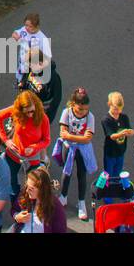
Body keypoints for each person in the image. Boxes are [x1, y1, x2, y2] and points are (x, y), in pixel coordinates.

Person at [0, 90, 51, 198]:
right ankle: (15, 203)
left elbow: (47, 140)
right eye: (26, 112)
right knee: (11, 182)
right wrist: (6, 140)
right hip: (14, 154)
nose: (30, 115)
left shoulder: (43, 118)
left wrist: (34, 147)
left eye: (32, 111)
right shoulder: (15, 111)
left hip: (32, 158)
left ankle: (28, 204)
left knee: (32, 186)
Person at [56, 87, 97, 221]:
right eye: (80, 109)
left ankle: (81, 203)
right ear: (73, 104)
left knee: (81, 175)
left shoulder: (90, 117)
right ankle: (63, 197)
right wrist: (76, 137)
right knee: (66, 172)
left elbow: (87, 138)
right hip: (68, 148)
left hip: (82, 151)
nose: (83, 112)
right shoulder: (66, 113)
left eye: (85, 109)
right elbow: (63, 134)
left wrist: (70, 136)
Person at [13, 165, 68, 233]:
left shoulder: (55, 206)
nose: (27, 190)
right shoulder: (26, 194)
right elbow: (14, 209)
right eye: (26, 186)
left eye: (31, 189)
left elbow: (60, 230)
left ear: (42, 189)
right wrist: (17, 217)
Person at [20, 48, 63, 122]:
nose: (30, 68)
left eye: (31, 66)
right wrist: (22, 83)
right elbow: (26, 75)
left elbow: (57, 98)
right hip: (29, 103)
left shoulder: (53, 78)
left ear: (40, 63)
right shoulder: (33, 67)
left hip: (42, 111)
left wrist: (45, 113)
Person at [101, 91, 134, 179]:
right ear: (109, 104)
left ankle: (115, 190)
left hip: (121, 151)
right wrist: (122, 133)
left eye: (120, 109)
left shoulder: (124, 117)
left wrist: (131, 132)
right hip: (110, 153)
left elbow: (130, 129)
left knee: (118, 175)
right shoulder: (106, 120)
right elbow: (111, 136)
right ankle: (105, 191)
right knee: (108, 176)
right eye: (115, 109)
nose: (118, 111)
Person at [11, 14, 51, 86]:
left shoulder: (43, 39)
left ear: (37, 26)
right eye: (26, 25)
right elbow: (15, 33)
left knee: (30, 92)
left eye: (30, 26)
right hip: (22, 66)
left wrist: (39, 67)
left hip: (33, 70)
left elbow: (48, 58)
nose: (27, 28)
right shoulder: (24, 29)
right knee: (21, 86)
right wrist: (16, 36)